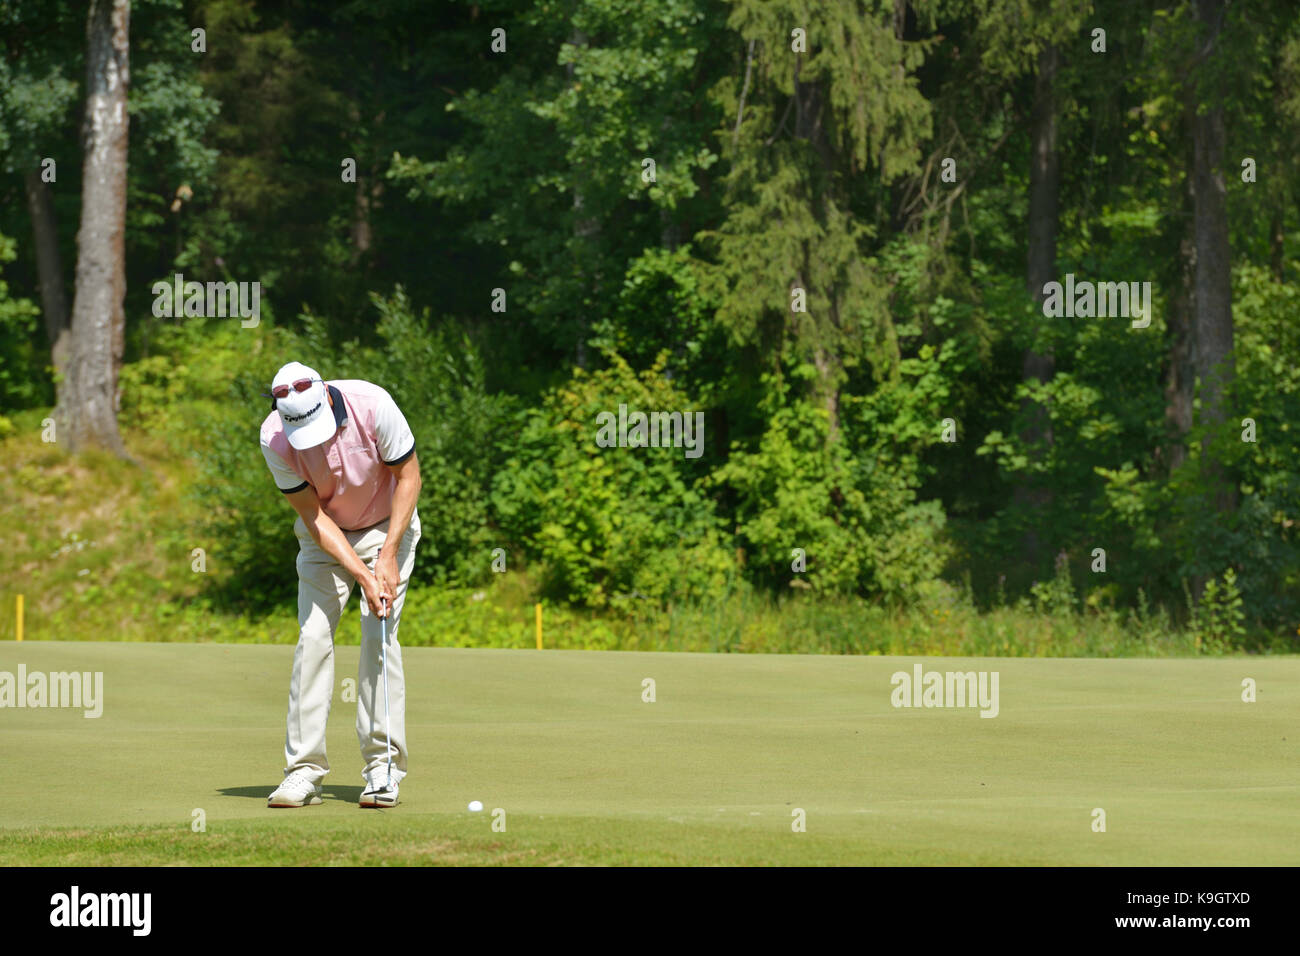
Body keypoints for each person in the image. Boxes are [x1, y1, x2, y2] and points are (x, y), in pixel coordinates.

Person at [259, 361, 421, 808]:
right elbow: (313, 518)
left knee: (378, 631)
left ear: (327, 396)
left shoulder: (373, 405)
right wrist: (362, 574)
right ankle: (304, 772)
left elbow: (409, 477)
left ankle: (382, 768)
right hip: (326, 536)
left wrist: (385, 557)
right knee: (312, 637)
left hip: (389, 526)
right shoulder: (273, 437)